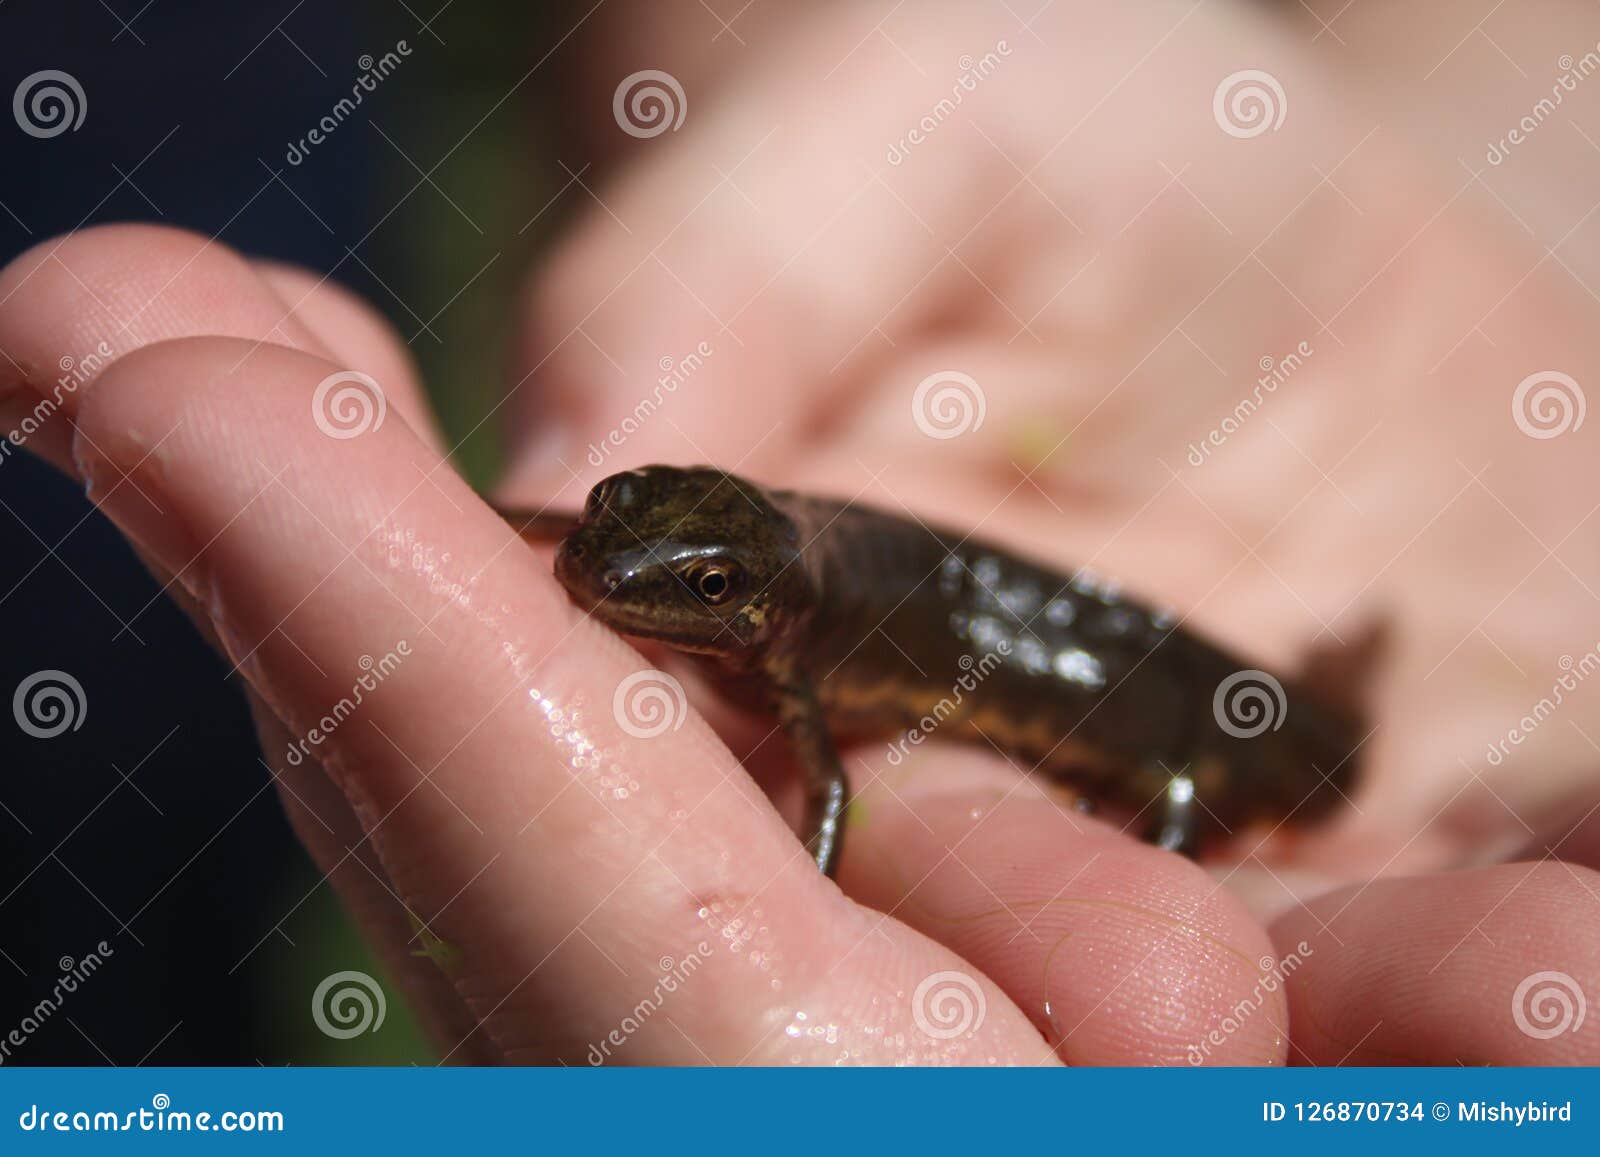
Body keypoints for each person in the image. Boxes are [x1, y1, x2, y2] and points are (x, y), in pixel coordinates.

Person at [2, 0, 1597, 1064]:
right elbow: (603, 528)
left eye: (687, 588)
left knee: (1201, 771)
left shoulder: (814, 667)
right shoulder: (737, 578)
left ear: (758, 610)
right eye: (617, 540)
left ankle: (1294, 717)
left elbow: (821, 784)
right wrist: (513, 516)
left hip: (1210, 737)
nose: (611, 583)